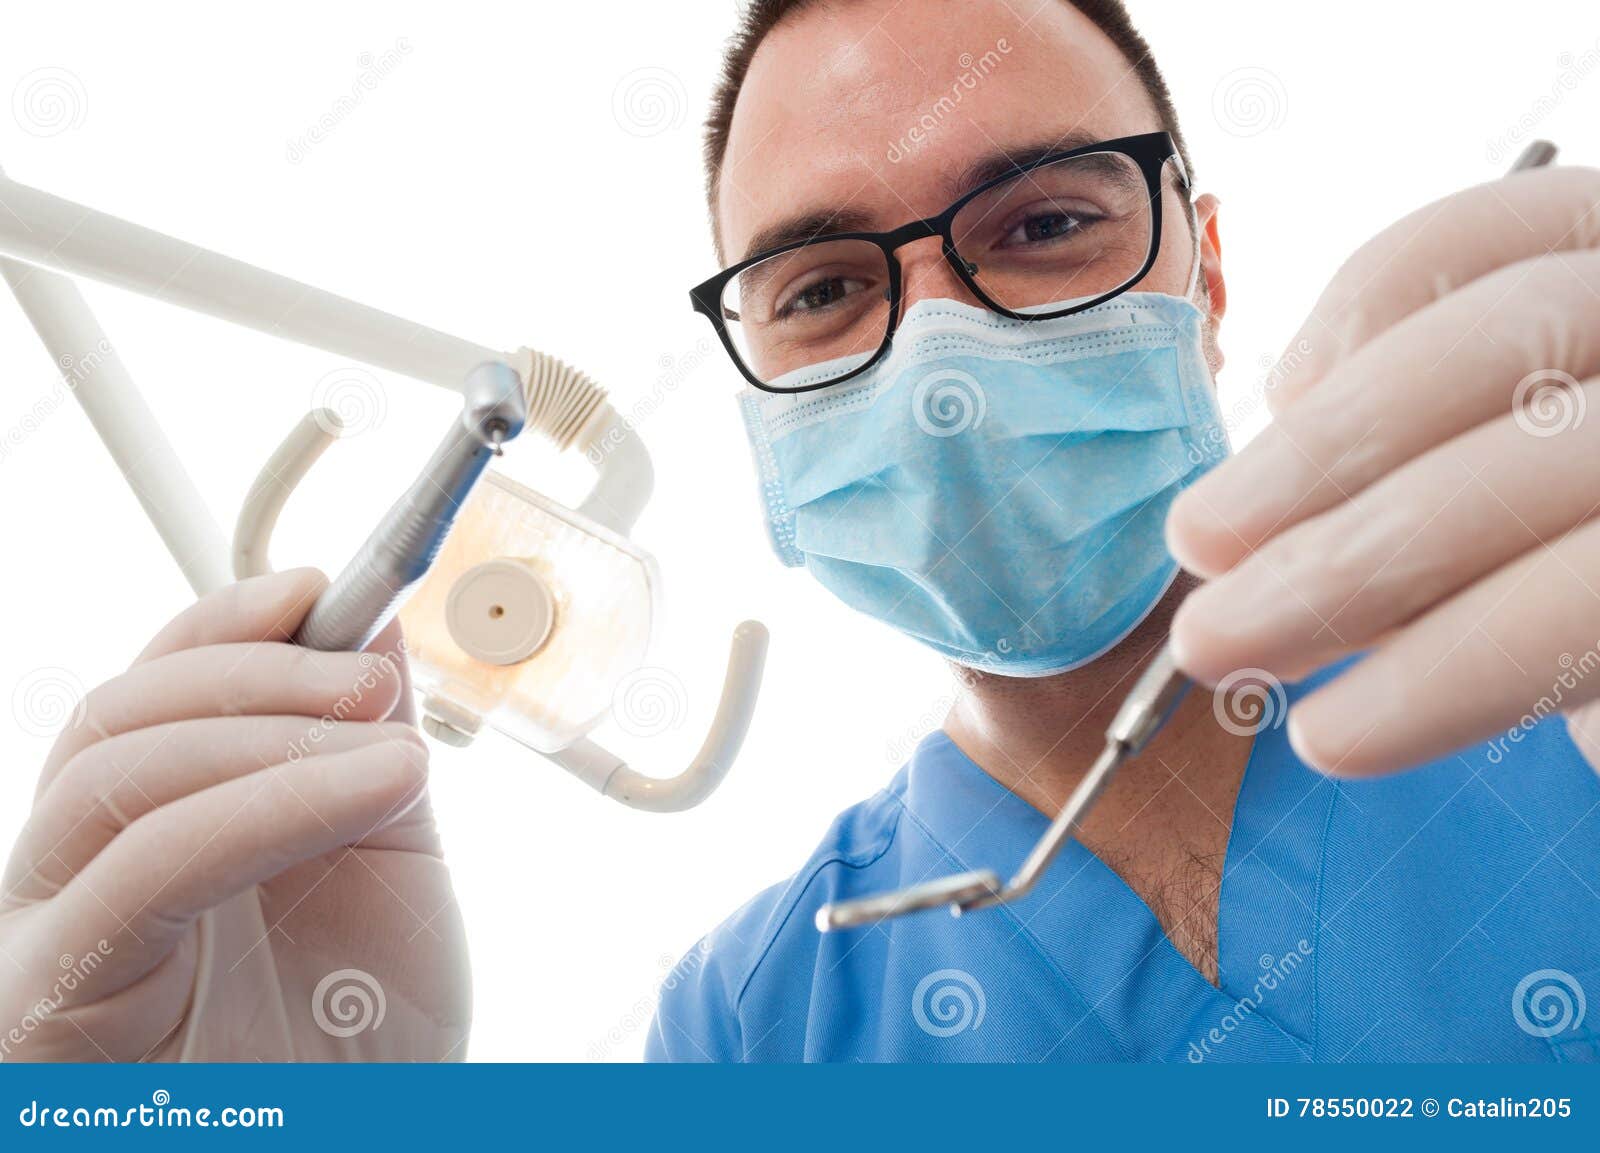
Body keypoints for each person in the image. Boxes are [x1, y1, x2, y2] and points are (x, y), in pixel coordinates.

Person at [3, 0, 1599, 1064]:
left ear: (1211, 279)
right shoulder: (756, 1026)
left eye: (1043, 225)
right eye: (826, 287)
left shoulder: (1562, 670)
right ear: (760, 396)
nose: (940, 359)